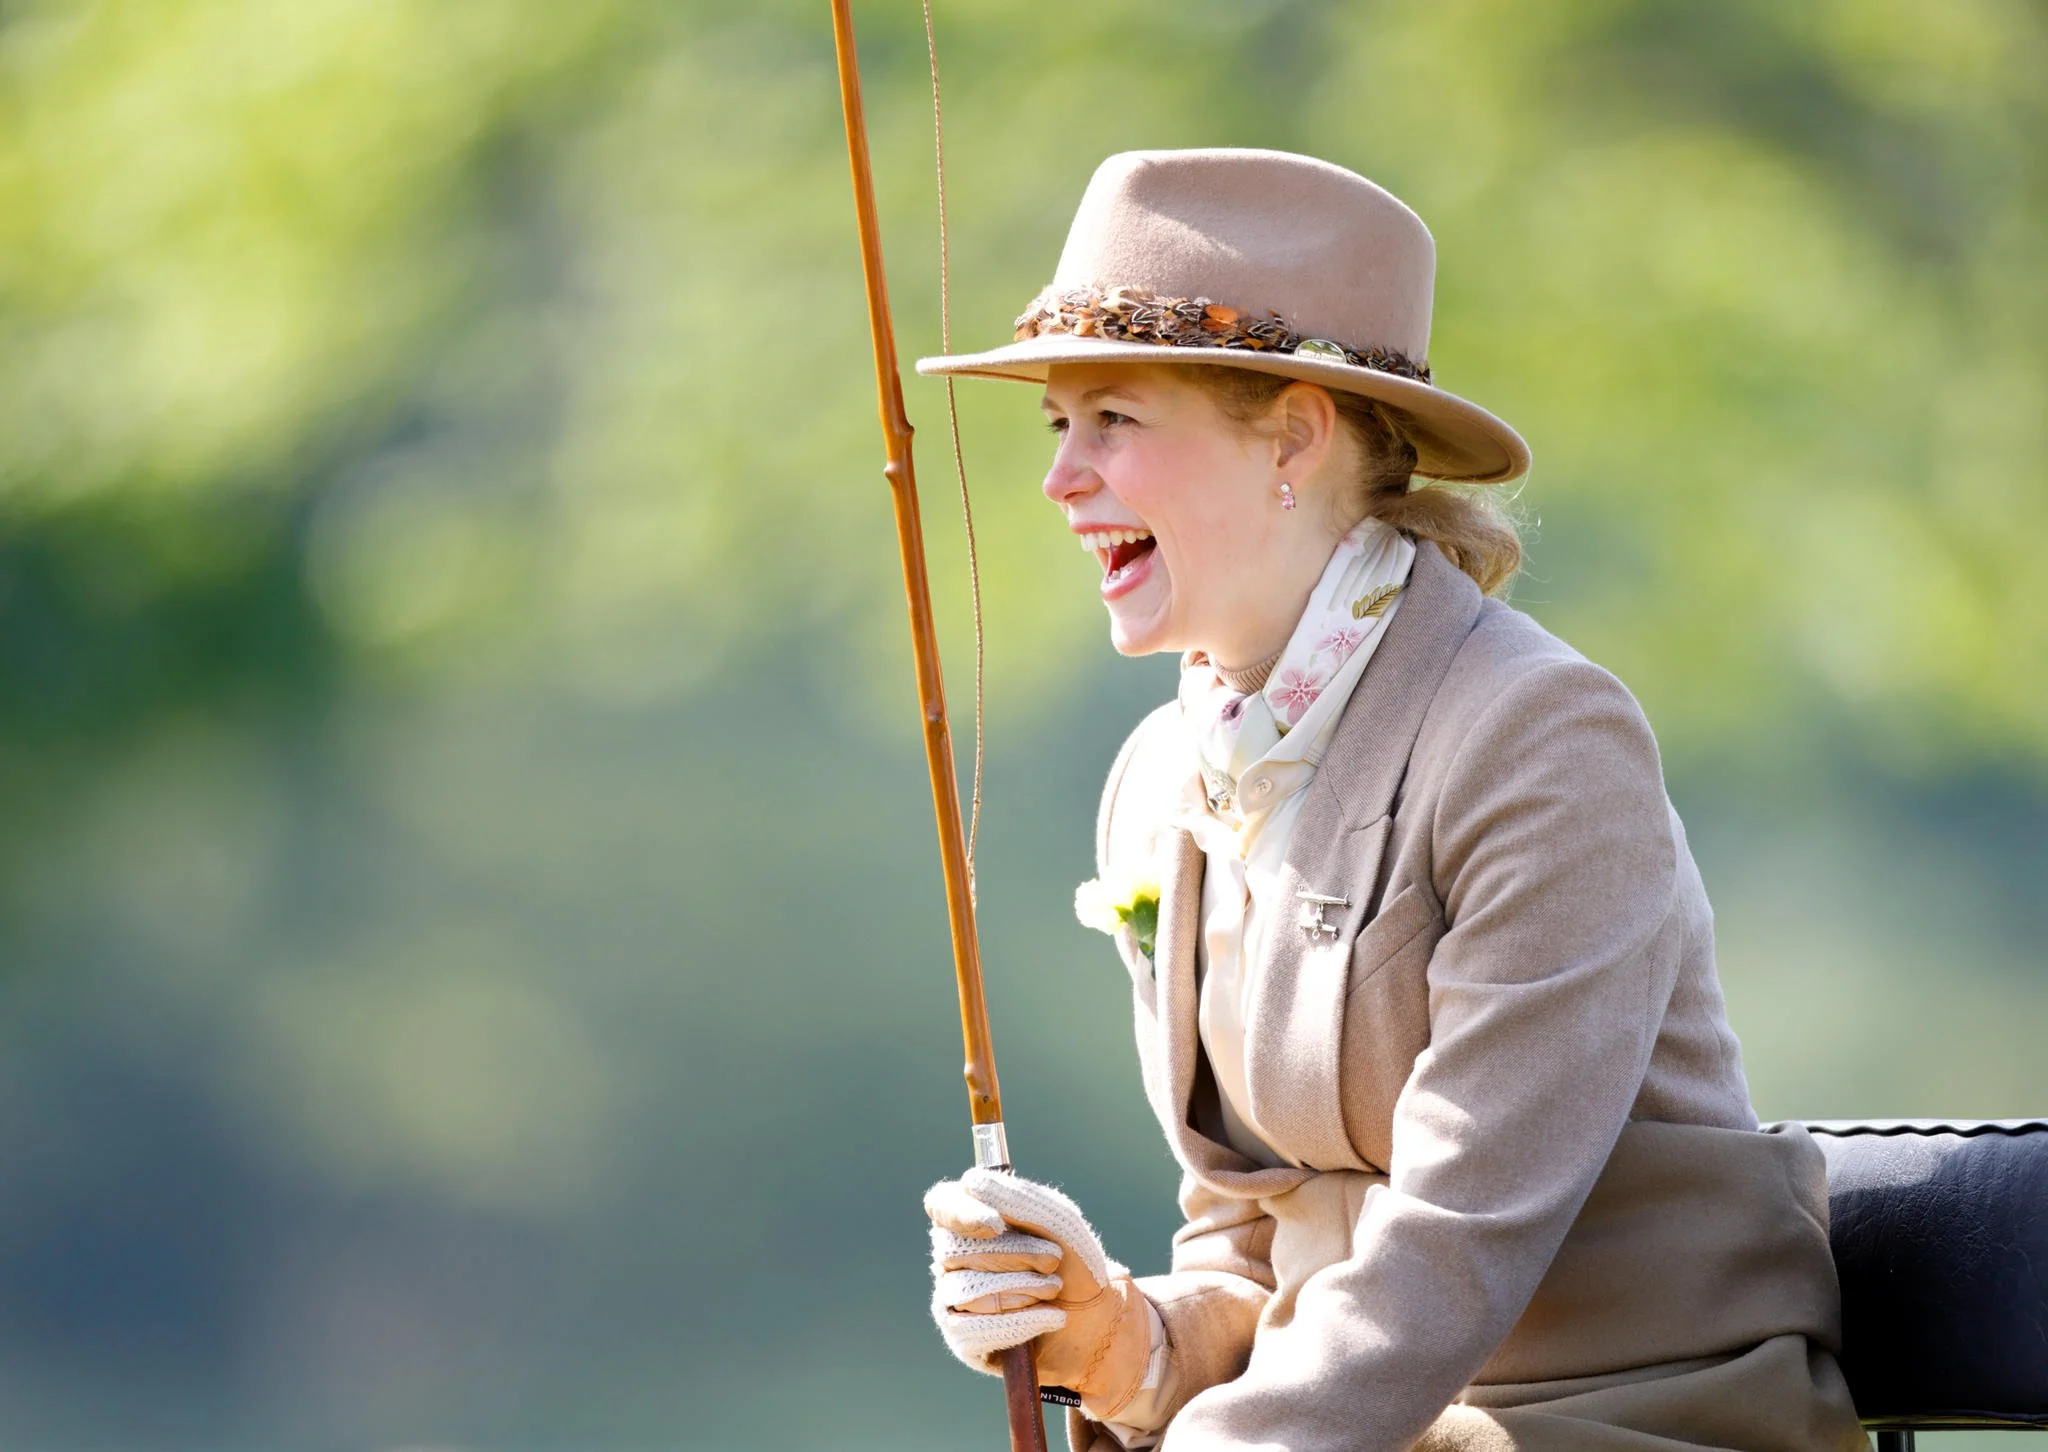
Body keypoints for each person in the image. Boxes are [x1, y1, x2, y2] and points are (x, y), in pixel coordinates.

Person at [914, 149, 1865, 1452]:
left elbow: (1463, 1235)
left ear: (1294, 436)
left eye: (1116, 422)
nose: (1060, 480)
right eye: (1056, 428)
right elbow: (1253, 1247)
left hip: (1634, 1419)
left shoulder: (1539, 734)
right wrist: (1123, 1343)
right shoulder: (1157, 779)